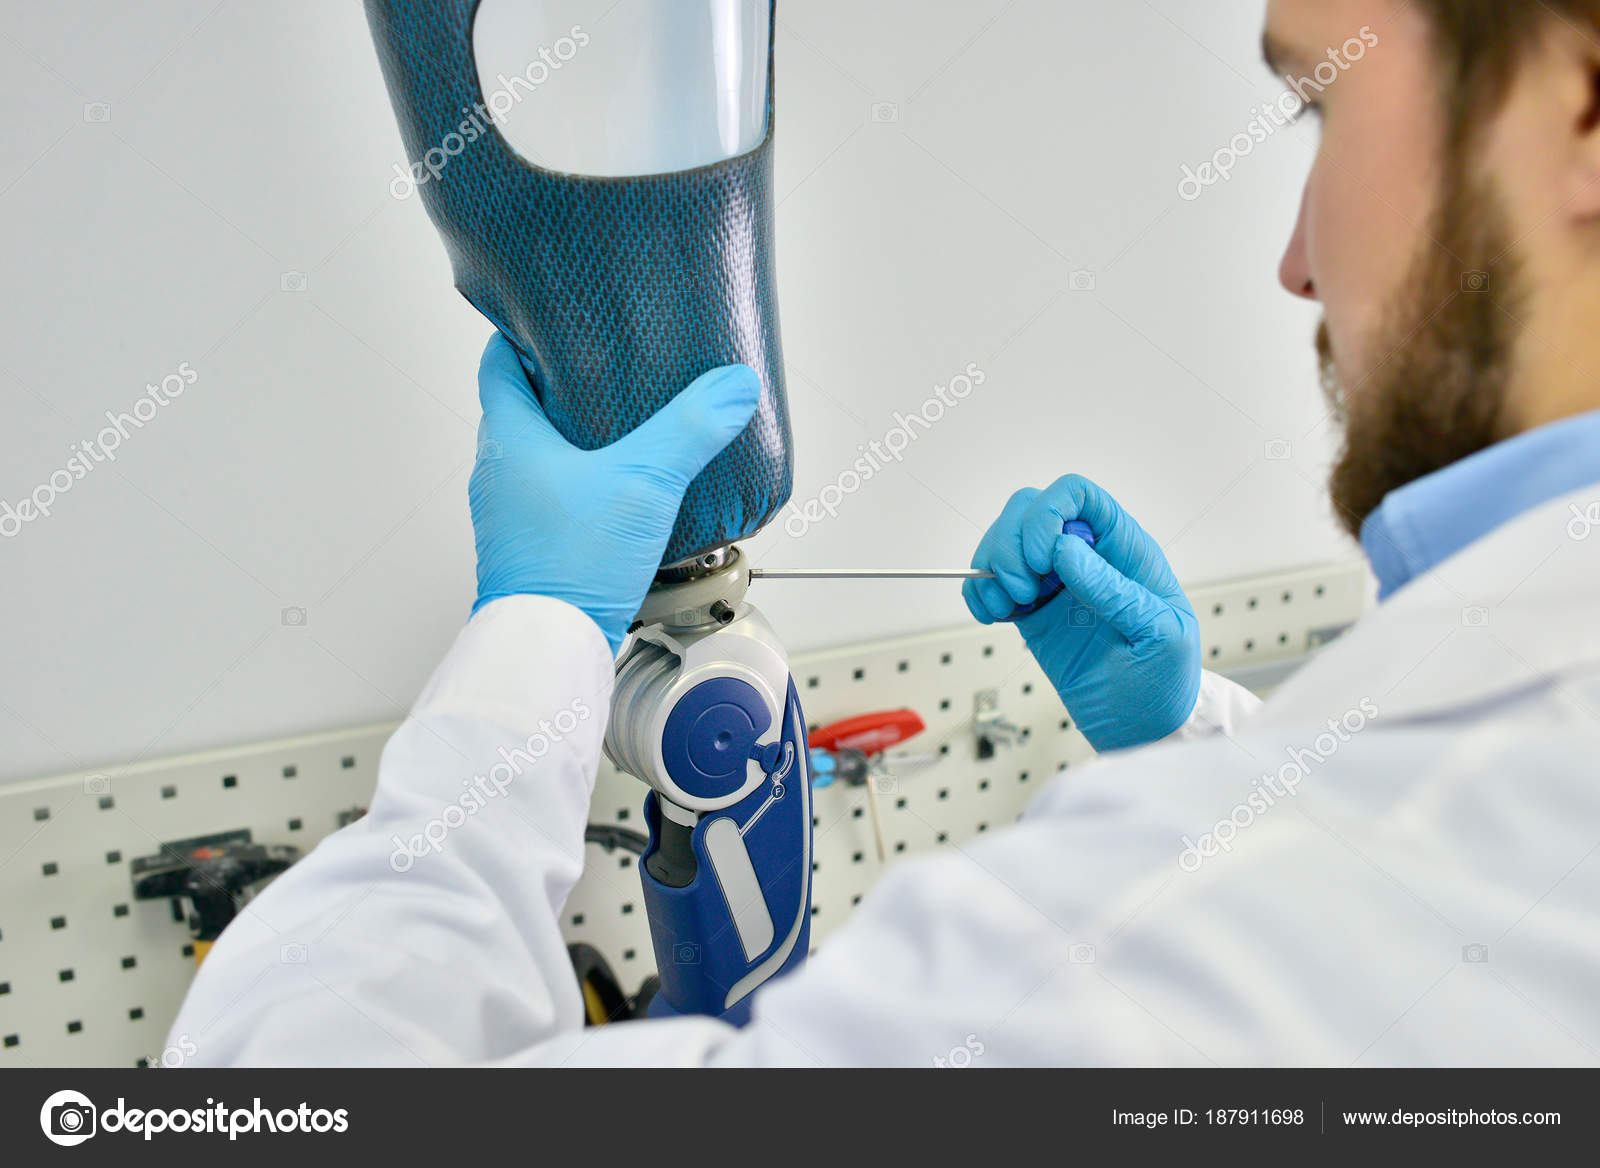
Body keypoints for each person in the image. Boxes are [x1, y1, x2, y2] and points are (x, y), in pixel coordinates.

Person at [171, 0, 1600, 1065]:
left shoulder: (1104, 986)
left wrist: (531, 638)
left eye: (1323, 113)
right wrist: (1195, 752)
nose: (1296, 263)